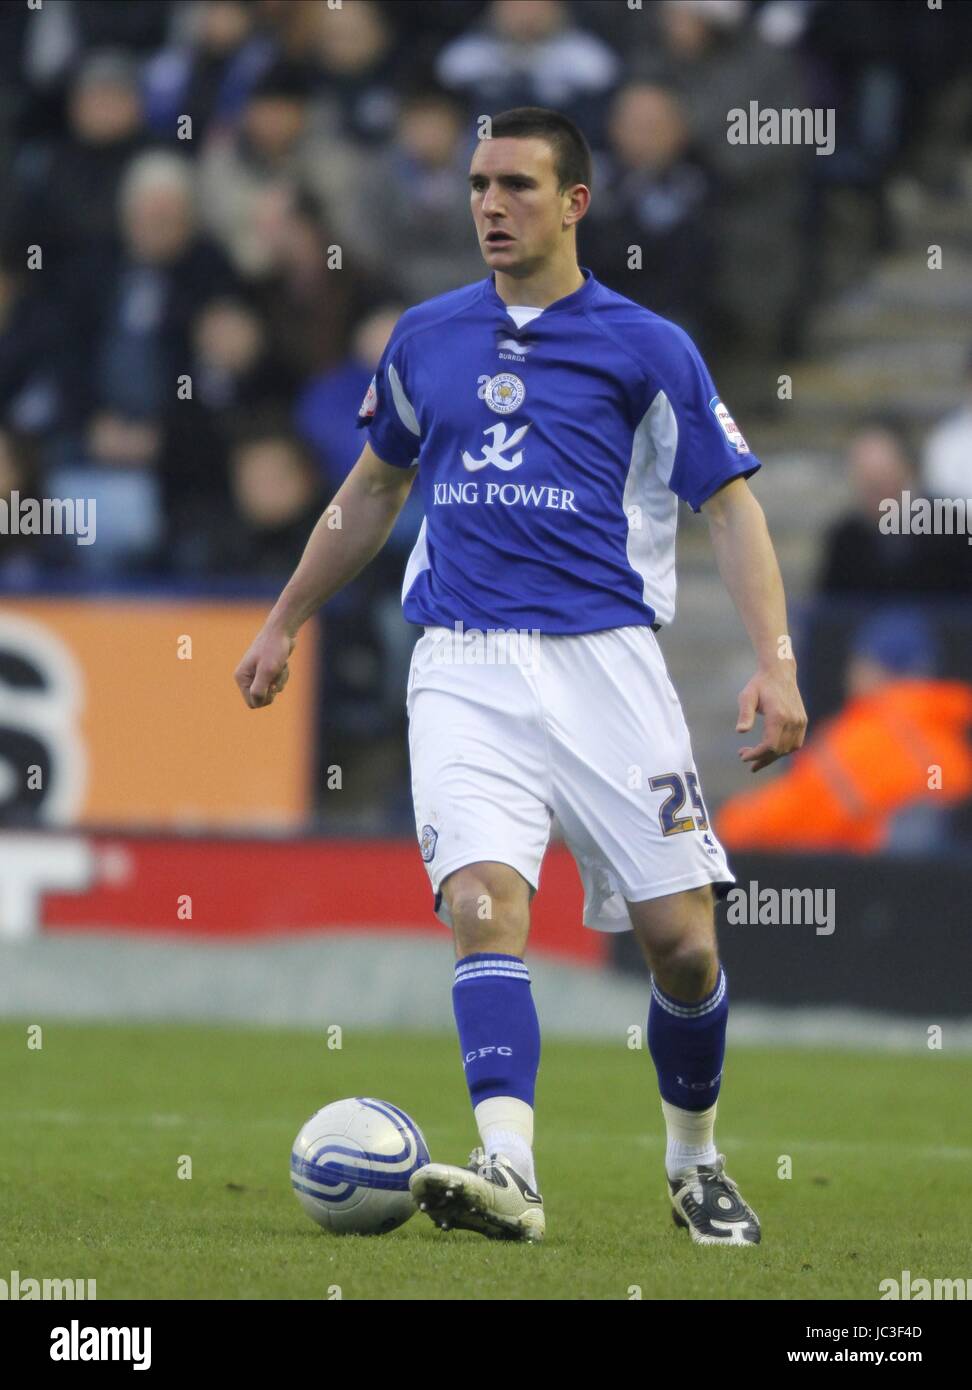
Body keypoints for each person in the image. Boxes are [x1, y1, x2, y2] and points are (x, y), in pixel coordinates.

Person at [234, 106, 807, 1247]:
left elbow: (731, 508)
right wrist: (285, 618)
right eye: (480, 185)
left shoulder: (649, 347)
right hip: (463, 664)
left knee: (684, 945)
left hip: (608, 665)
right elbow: (371, 493)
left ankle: (694, 1163)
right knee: (481, 904)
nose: (491, 205)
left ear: (576, 202)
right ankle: (510, 1166)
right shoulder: (425, 338)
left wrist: (775, 663)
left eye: (518, 186)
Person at [717, 611, 972, 856]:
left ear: (870, 667)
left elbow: (797, 810)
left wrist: (724, 825)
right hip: (933, 891)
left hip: (863, 888)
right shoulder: (952, 742)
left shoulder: (866, 738)